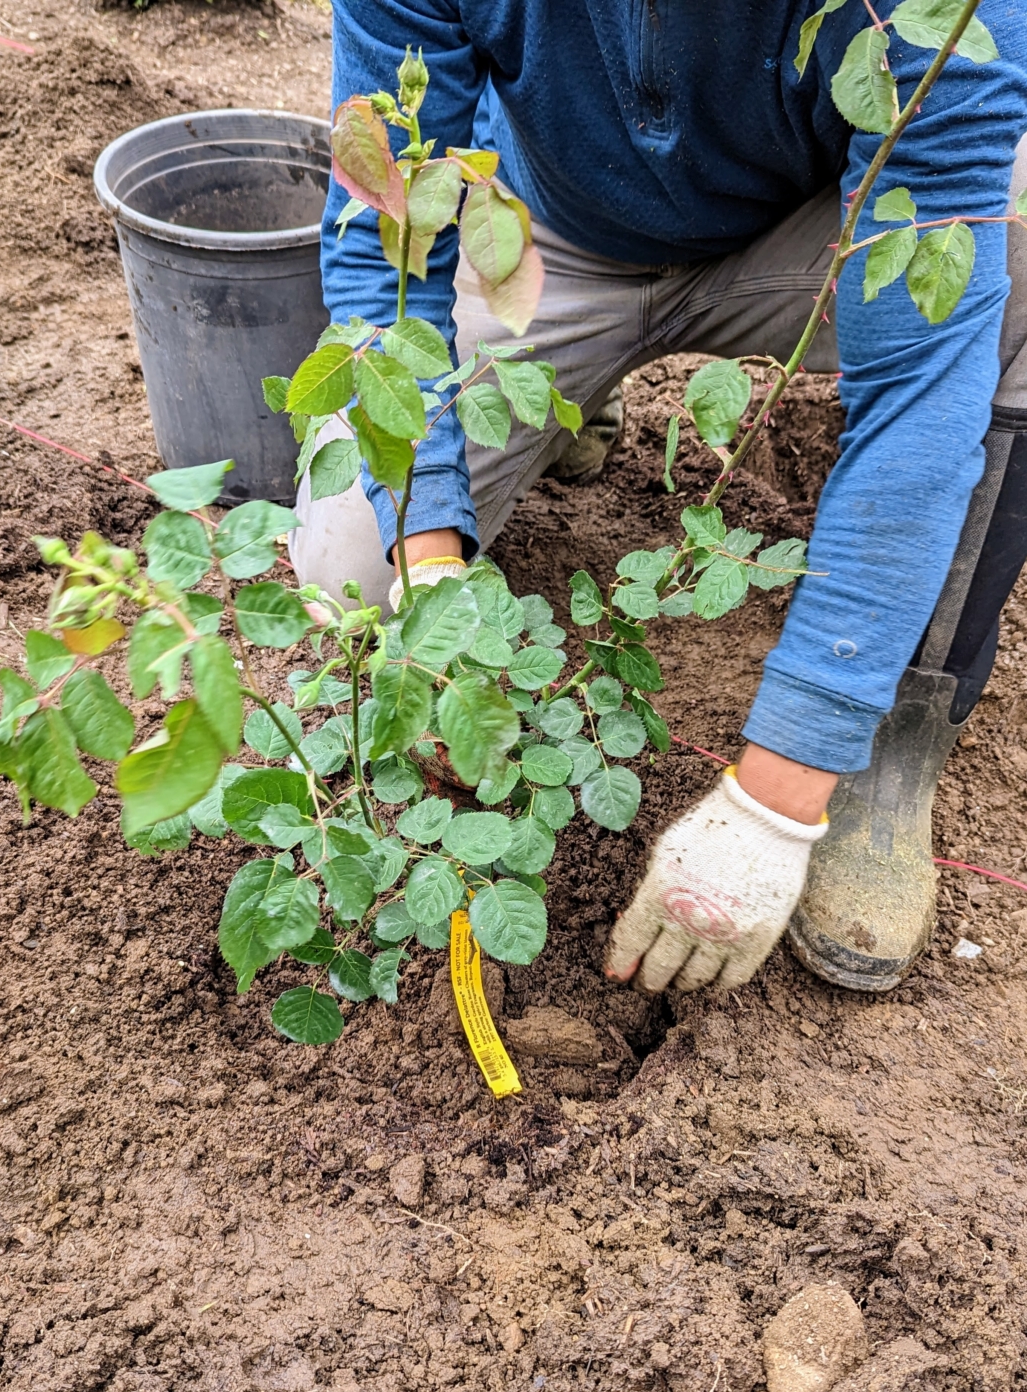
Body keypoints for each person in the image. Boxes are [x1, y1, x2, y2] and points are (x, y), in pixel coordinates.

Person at [290, 1, 1027, 995]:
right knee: (349, 576)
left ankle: (894, 730)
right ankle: (564, 394)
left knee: (1013, 270)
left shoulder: (942, 14)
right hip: (544, 233)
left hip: (806, 233)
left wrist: (780, 792)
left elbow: (921, 384)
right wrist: (430, 579)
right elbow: (382, 239)